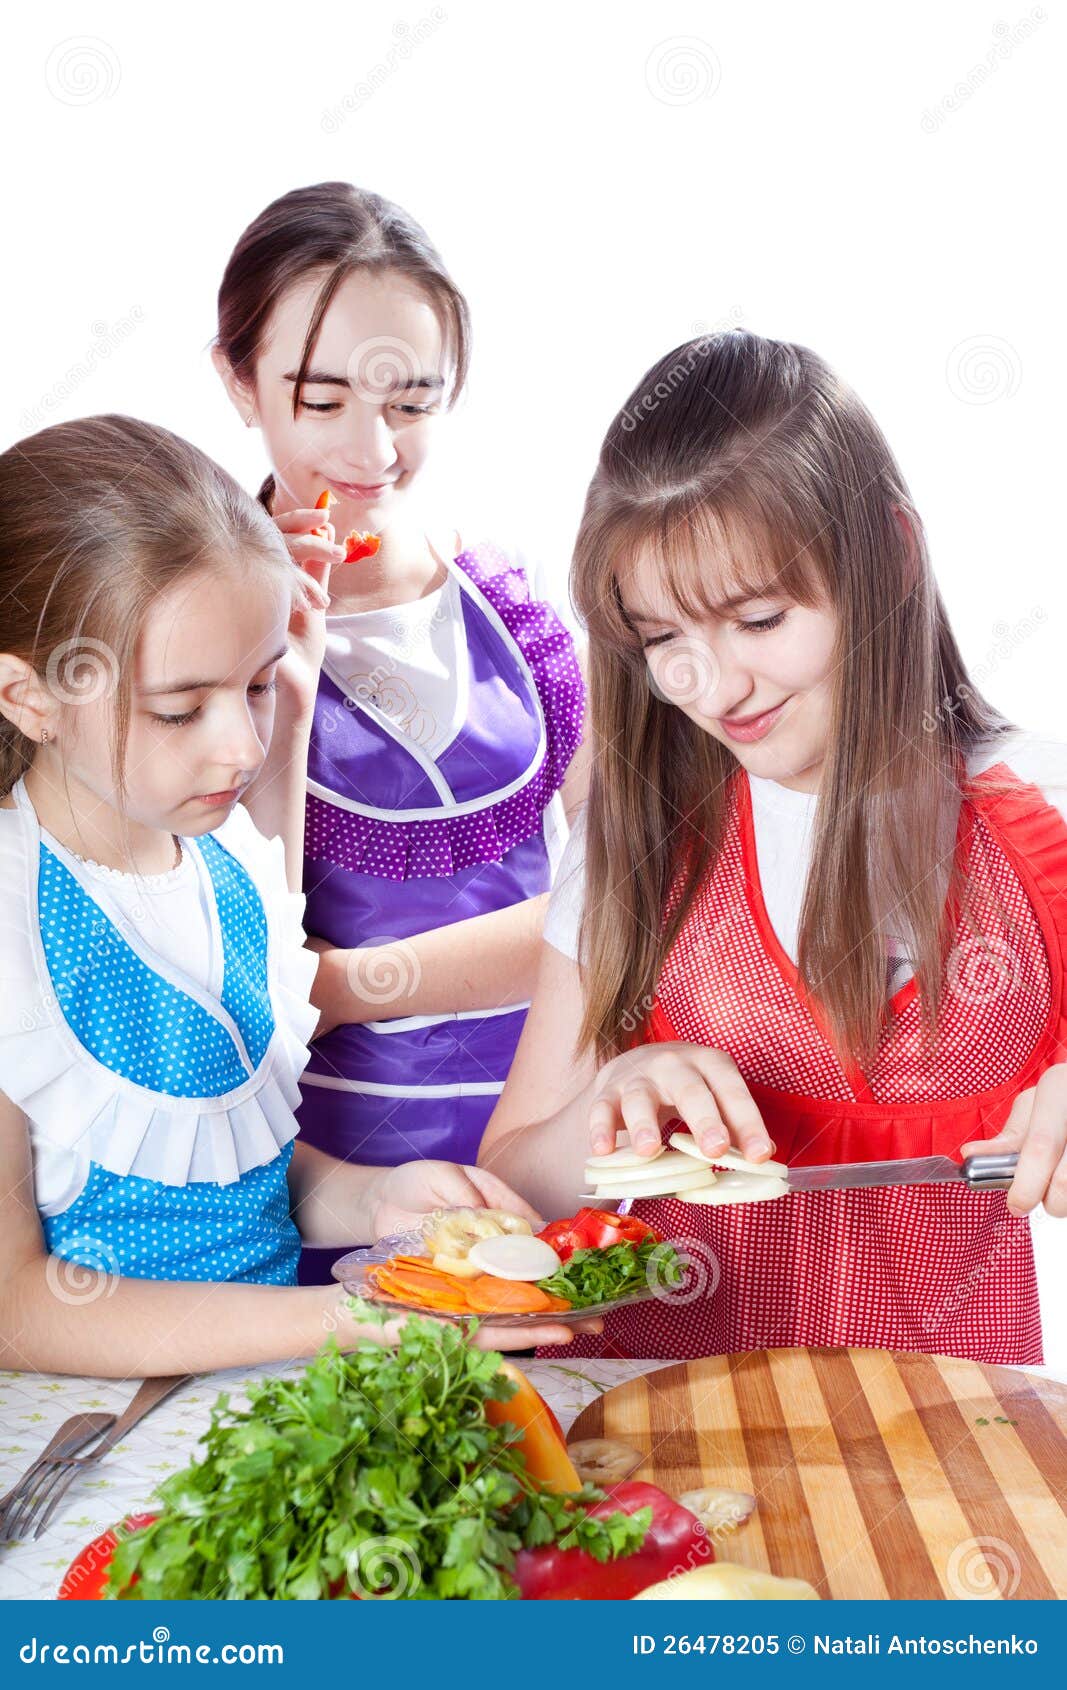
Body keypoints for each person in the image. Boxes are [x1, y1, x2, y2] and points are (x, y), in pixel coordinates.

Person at [479, 329, 1067, 1364]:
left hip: (944, 1447)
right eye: (662, 638)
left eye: (756, 618)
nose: (713, 686)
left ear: (886, 552)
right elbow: (513, 1179)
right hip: (657, 1428)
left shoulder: (1037, 811)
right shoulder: (643, 834)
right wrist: (604, 1114)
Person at [0, 415, 596, 1376]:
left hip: (270, 1397)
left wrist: (376, 1200)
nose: (241, 747)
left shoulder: (228, 865)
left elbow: (247, 1176)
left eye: (260, 688)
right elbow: (16, 1310)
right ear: (29, 696)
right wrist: (350, 1318)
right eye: (180, 709)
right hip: (85, 1437)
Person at [212, 183, 590, 1283]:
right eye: (320, 400)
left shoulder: (517, 615)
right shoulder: (188, 644)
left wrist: (347, 980)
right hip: (338, 1192)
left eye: (411, 402)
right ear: (238, 383)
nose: (372, 450)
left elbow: (641, 897)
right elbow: (237, 978)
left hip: (557, 1159)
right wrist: (280, 684)